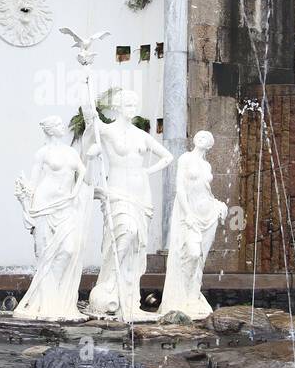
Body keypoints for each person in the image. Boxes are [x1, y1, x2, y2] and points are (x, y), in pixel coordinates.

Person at [81, 87, 172, 321]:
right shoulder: (108, 130)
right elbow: (90, 125)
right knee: (126, 232)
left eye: (135, 104)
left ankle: (128, 300)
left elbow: (167, 156)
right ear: (119, 107)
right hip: (118, 191)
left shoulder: (141, 135)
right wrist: (87, 103)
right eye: (129, 104)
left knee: (137, 244)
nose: (133, 108)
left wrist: (146, 171)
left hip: (141, 194)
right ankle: (110, 282)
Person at [12, 116, 90, 321]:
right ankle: (47, 301)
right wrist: (23, 196)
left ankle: (56, 295)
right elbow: (34, 182)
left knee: (69, 249)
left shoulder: (72, 152)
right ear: (48, 130)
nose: (62, 126)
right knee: (45, 254)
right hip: (45, 206)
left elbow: (82, 172)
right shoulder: (42, 153)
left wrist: (75, 191)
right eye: (57, 125)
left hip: (66, 205)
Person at [159, 131, 227, 320]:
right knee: (191, 253)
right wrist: (188, 213)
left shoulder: (207, 165)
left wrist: (218, 205)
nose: (201, 137)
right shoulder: (185, 158)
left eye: (206, 137)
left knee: (200, 258)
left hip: (208, 214)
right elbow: (180, 187)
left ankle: (192, 295)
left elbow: (207, 192)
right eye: (199, 135)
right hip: (190, 215)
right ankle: (181, 294)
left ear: (210, 145)